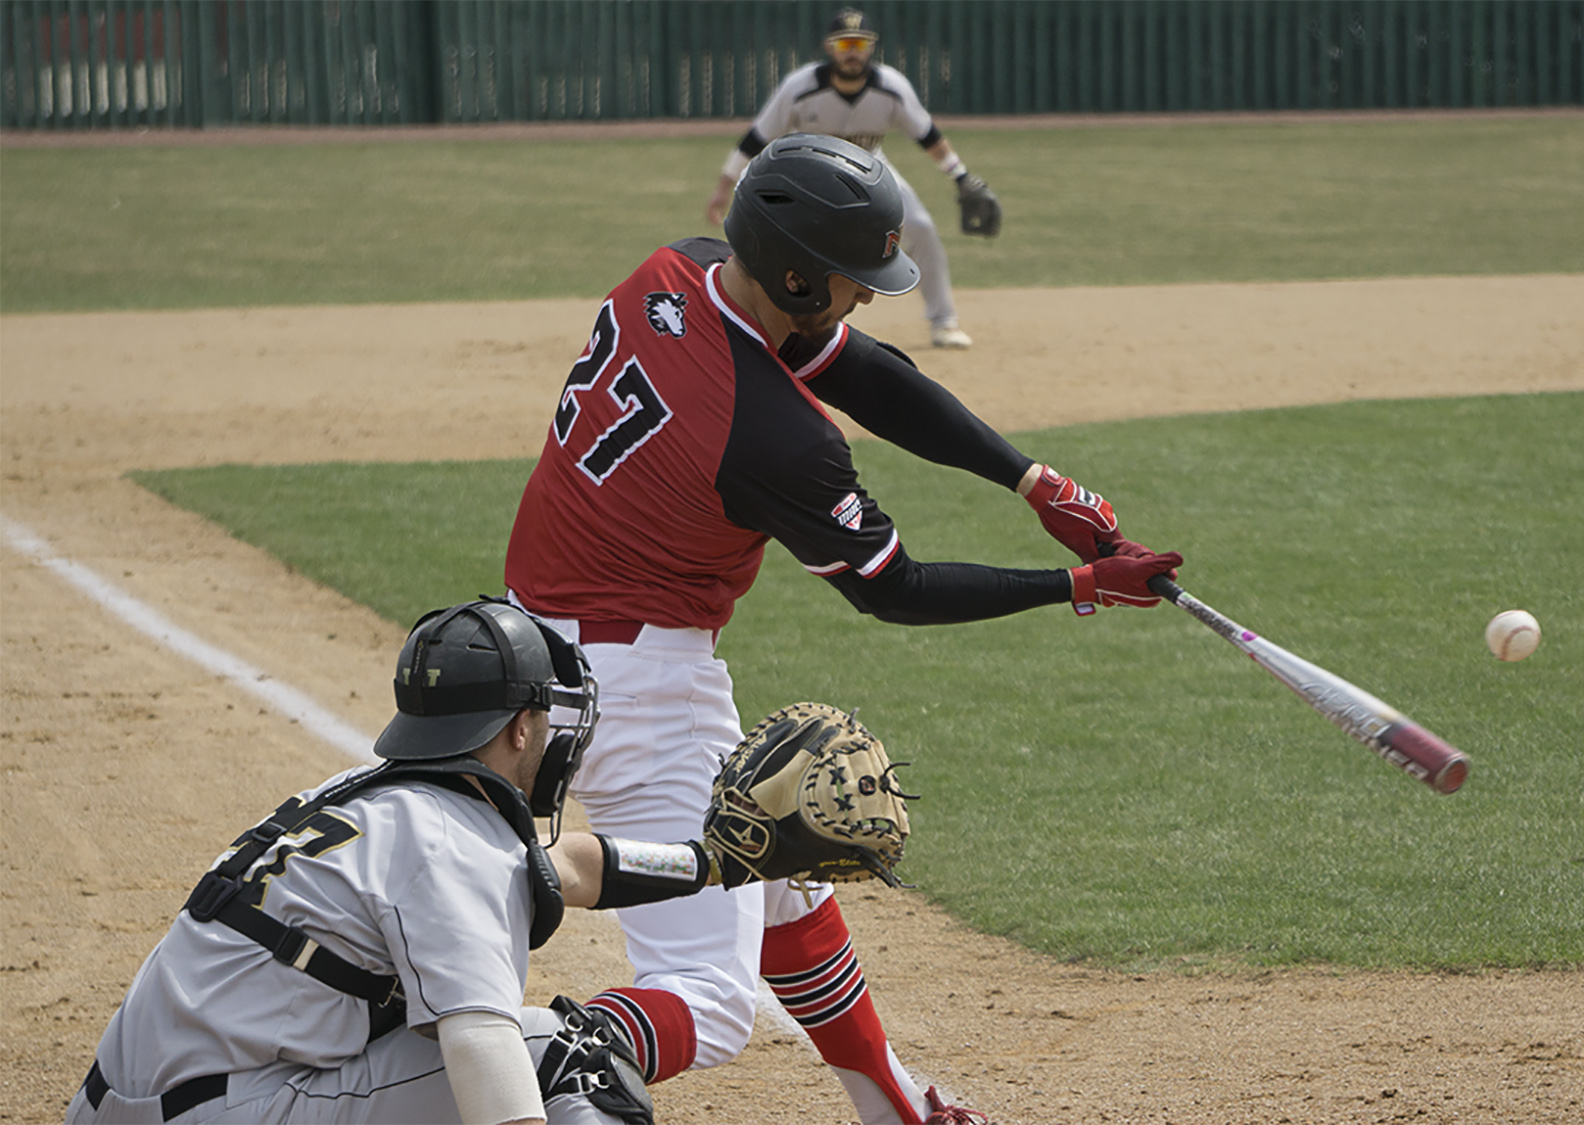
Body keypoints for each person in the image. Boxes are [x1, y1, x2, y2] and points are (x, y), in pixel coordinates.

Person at [506, 133, 1182, 1125]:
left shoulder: (678, 270)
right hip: (640, 686)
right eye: (854, 278)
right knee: (709, 1001)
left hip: (537, 643)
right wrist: (1074, 584)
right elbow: (892, 587)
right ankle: (501, 1065)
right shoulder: (772, 437)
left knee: (777, 868)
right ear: (796, 273)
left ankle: (894, 1108)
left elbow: (866, 371)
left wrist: (1030, 481)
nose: (866, 294)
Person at [64, 600, 803, 1125]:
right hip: (230, 1109)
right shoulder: (453, 845)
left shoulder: (369, 797)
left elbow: (567, 867)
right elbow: (487, 1056)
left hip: (124, 1103)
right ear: (519, 728)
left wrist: (718, 862)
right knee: (567, 1053)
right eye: (546, 718)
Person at [703, 6, 998, 351]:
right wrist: (724, 187)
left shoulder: (891, 87)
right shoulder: (800, 87)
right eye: (844, 44)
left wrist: (960, 176)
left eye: (860, 43)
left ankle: (944, 322)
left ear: (871, 47)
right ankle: (776, 322)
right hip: (810, 177)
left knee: (921, 227)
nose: (853, 51)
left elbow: (928, 136)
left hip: (872, 170)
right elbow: (756, 138)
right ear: (829, 48)